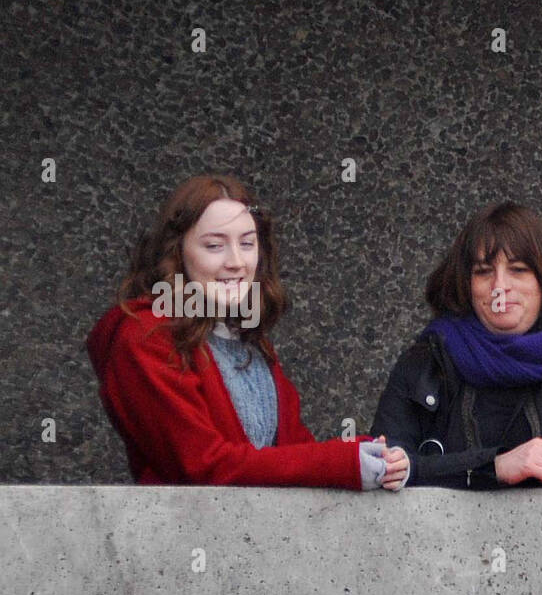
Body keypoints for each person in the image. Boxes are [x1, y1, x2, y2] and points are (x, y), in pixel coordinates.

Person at [87, 174, 409, 489]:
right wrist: (342, 464)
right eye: (215, 245)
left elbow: (293, 453)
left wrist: (375, 458)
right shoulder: (145, 336)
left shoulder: (245, 336)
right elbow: (202, 465)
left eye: (247, 243)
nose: (237, 262)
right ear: (177, 253)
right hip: (185, 524)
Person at [372, 201, 542, 488]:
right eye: (483, 271)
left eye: (518, 269)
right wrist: (493, 468)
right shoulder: (427, 360)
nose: (500, 287)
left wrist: (536, 470)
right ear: (466, 284)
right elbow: (383, 467)